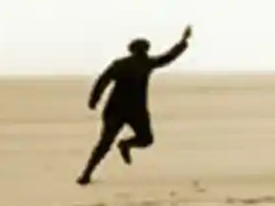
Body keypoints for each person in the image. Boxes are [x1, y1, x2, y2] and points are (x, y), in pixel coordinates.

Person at [76, 24, 193, 185]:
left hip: (121, 109)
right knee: (136, 140)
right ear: (142, 50)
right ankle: (94, 168)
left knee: (108, 142)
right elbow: (168, 57)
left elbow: (103, 81)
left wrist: (94, 99)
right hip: (128, 110)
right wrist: (183, 41)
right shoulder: (143, 63)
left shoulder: (126, 63)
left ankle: (89, 171)